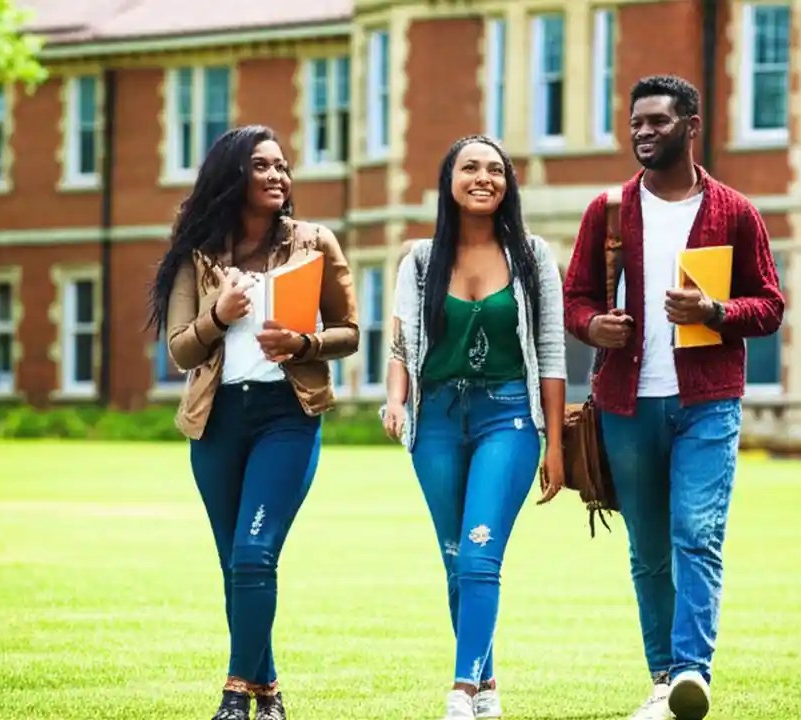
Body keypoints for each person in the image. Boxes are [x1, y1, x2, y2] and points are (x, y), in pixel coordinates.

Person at [563, 75, 784, 720]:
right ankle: (662, 679)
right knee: (648, 548)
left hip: (708, 401)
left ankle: (692, 672)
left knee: (697, 532)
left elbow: (769, 306)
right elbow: (577, 297)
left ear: (690, 124)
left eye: (657, 122)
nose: (643, 133)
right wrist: (592, 325)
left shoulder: (735, 212)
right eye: (636, 123)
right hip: (627, 404)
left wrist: (714, 310)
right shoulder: (607, 210)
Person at [147, 125, 359, 720]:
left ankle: (235, 695)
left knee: (253, 554)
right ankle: (270, 695)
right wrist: (220, 313)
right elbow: (181, 351)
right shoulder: (197, 254)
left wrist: (304, 341)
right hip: (217, 424)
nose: (277, 176)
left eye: (283, 167)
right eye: (262, 166)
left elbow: (350, 333)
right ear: (232, 175)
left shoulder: (315, 242)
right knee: (234, 564)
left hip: (285, 419)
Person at [381, 135, 567, 720]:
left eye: (495, 169)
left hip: (508, 417)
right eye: (469, 168)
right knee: (454, 555)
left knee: (481, 555)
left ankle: (461, 691)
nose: (482, 178)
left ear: (508, 183)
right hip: (434, 421)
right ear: (449, 181)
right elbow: (401, 340)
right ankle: (486, 685)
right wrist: (395, 401)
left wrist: (555, 443)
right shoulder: (419, 258)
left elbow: (553, 353)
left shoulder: (533, 257)